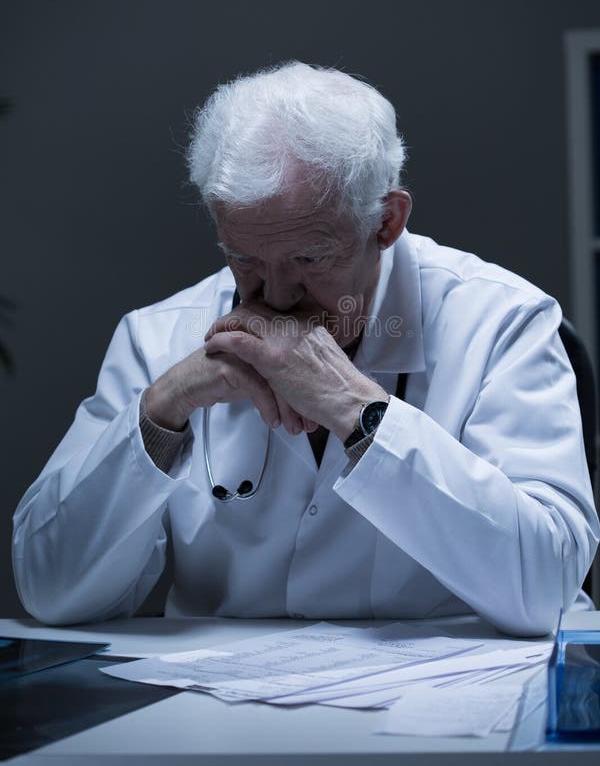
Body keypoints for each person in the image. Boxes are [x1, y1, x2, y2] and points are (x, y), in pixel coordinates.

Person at [12, 62, 599, 635]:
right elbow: (50, 591)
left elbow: (545, 585)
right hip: (222, 719)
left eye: (309, 259)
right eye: (244, 258)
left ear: (387, 221)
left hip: (453, 717)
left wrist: (355, 411)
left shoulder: (503, 320)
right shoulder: (157, 335)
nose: (276, 294)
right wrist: (163, 410)